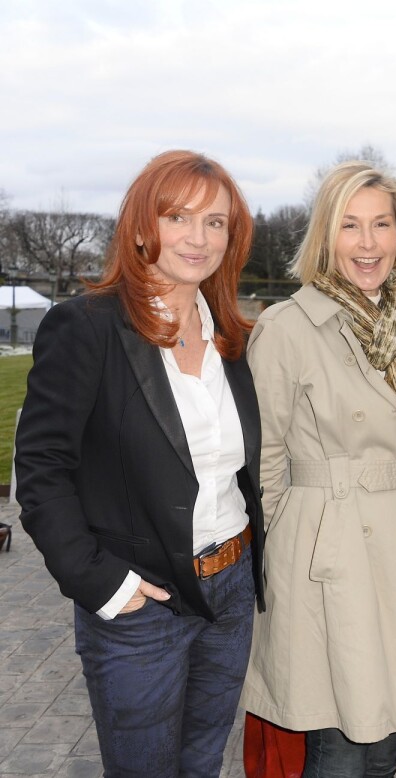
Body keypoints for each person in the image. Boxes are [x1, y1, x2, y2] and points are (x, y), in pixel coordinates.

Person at [15, 150, 264, 776]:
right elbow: (41, 472)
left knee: (202, 763)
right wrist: (103, 584)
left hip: (231, 589)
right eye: (179, 216)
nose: (198, 237)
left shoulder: (232, 334)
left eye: (216, 222)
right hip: (142, 599)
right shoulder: (87, 326)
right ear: (142, 225)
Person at [240, 162, 396, 776]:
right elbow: (263, 467)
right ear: (325, 235)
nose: (368, 243)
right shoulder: (287, 327)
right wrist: (284, 570)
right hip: (327, 556)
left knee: (384, 748)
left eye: (382, 225)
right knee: (342, 750)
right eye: (350, 226)